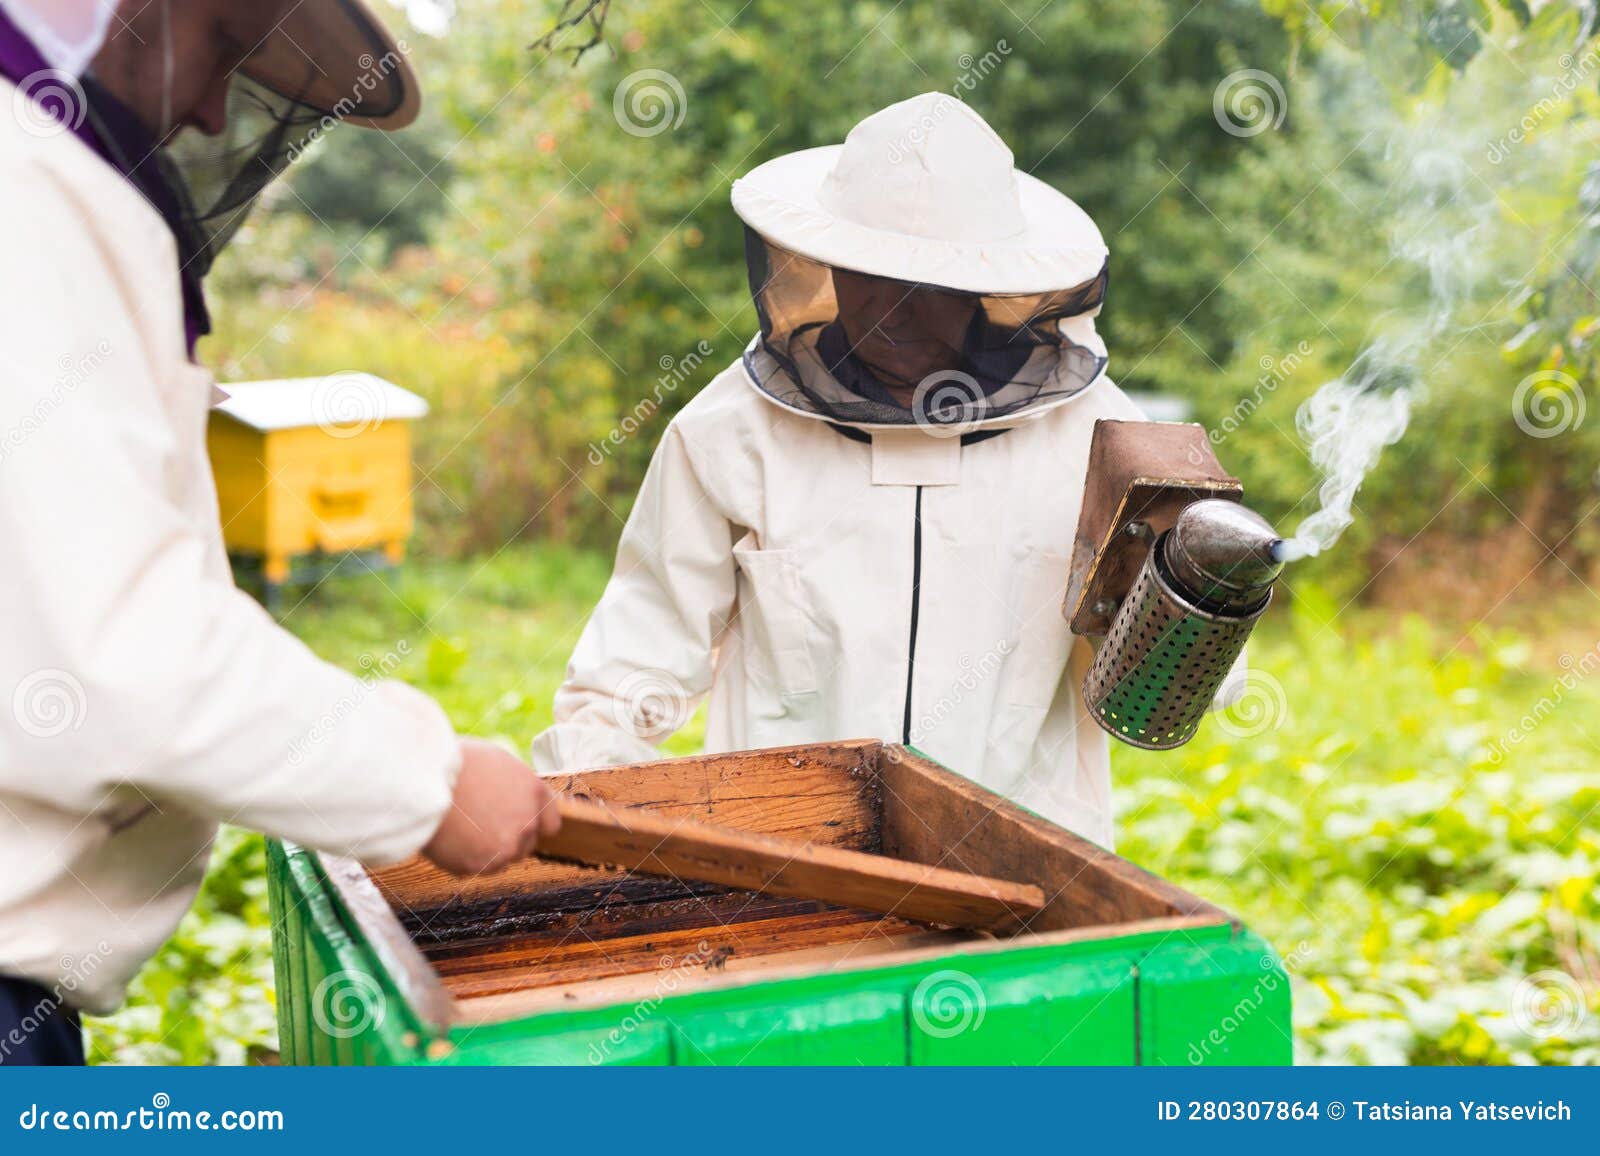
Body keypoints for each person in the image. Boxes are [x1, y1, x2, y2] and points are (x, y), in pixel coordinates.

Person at [0, 0, 558, 1066]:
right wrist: (430, 781)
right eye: (219, 50)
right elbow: (130, 654)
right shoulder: (16, 188)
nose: (215, 111)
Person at [532, 93, 1242, 845]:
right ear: (830, 259)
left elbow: (1180, 684)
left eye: (926, 285)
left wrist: (1195, 584)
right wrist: (575, 824)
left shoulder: (1102, 434)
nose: (890, 313)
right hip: (790, 867)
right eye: (871, 275)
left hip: (1029, 873)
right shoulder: (730, 432)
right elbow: (631, 668)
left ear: (985, 283)